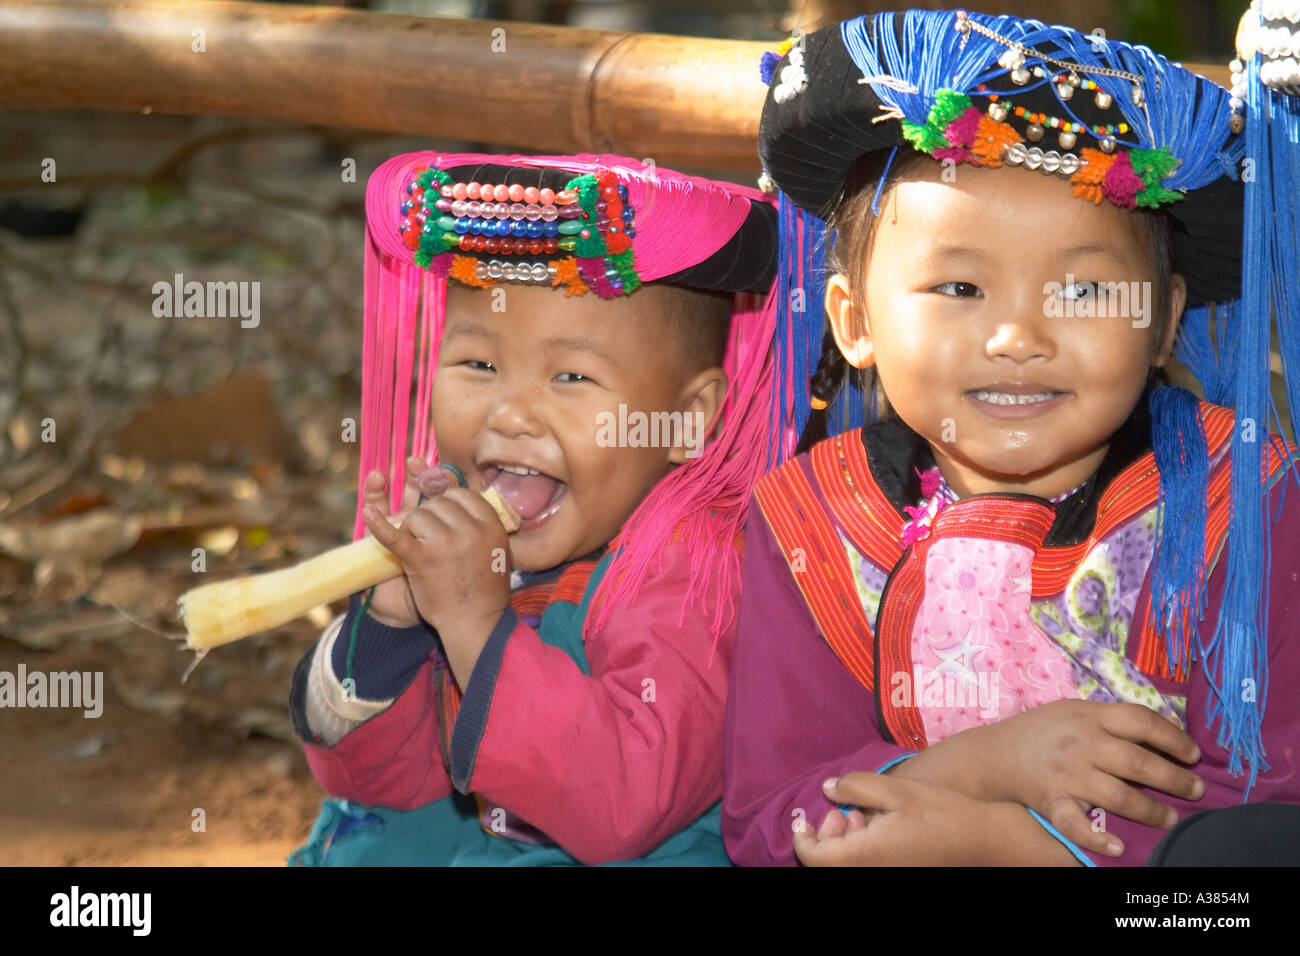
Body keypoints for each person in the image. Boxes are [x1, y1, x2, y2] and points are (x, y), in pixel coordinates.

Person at [724, 9, 1300, 866]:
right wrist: (981, 768)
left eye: (1084, 291)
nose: (1018, 336)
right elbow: (770, 821)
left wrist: (1003, 843)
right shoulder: (814, 520)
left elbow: (1266, 816)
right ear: (853, 321)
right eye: (959, 286)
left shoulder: (1240, 504)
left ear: (1162, 319)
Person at [287, 152, 784, 865]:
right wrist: (396, 623)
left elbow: (619, 805)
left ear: (685, 420)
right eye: (479, 365)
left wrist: (474, 622)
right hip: (490, 836)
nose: (511, 413)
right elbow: (389, 785)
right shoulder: (472, 525)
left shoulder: (696, 571)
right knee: (362, 836)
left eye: (572, 376)